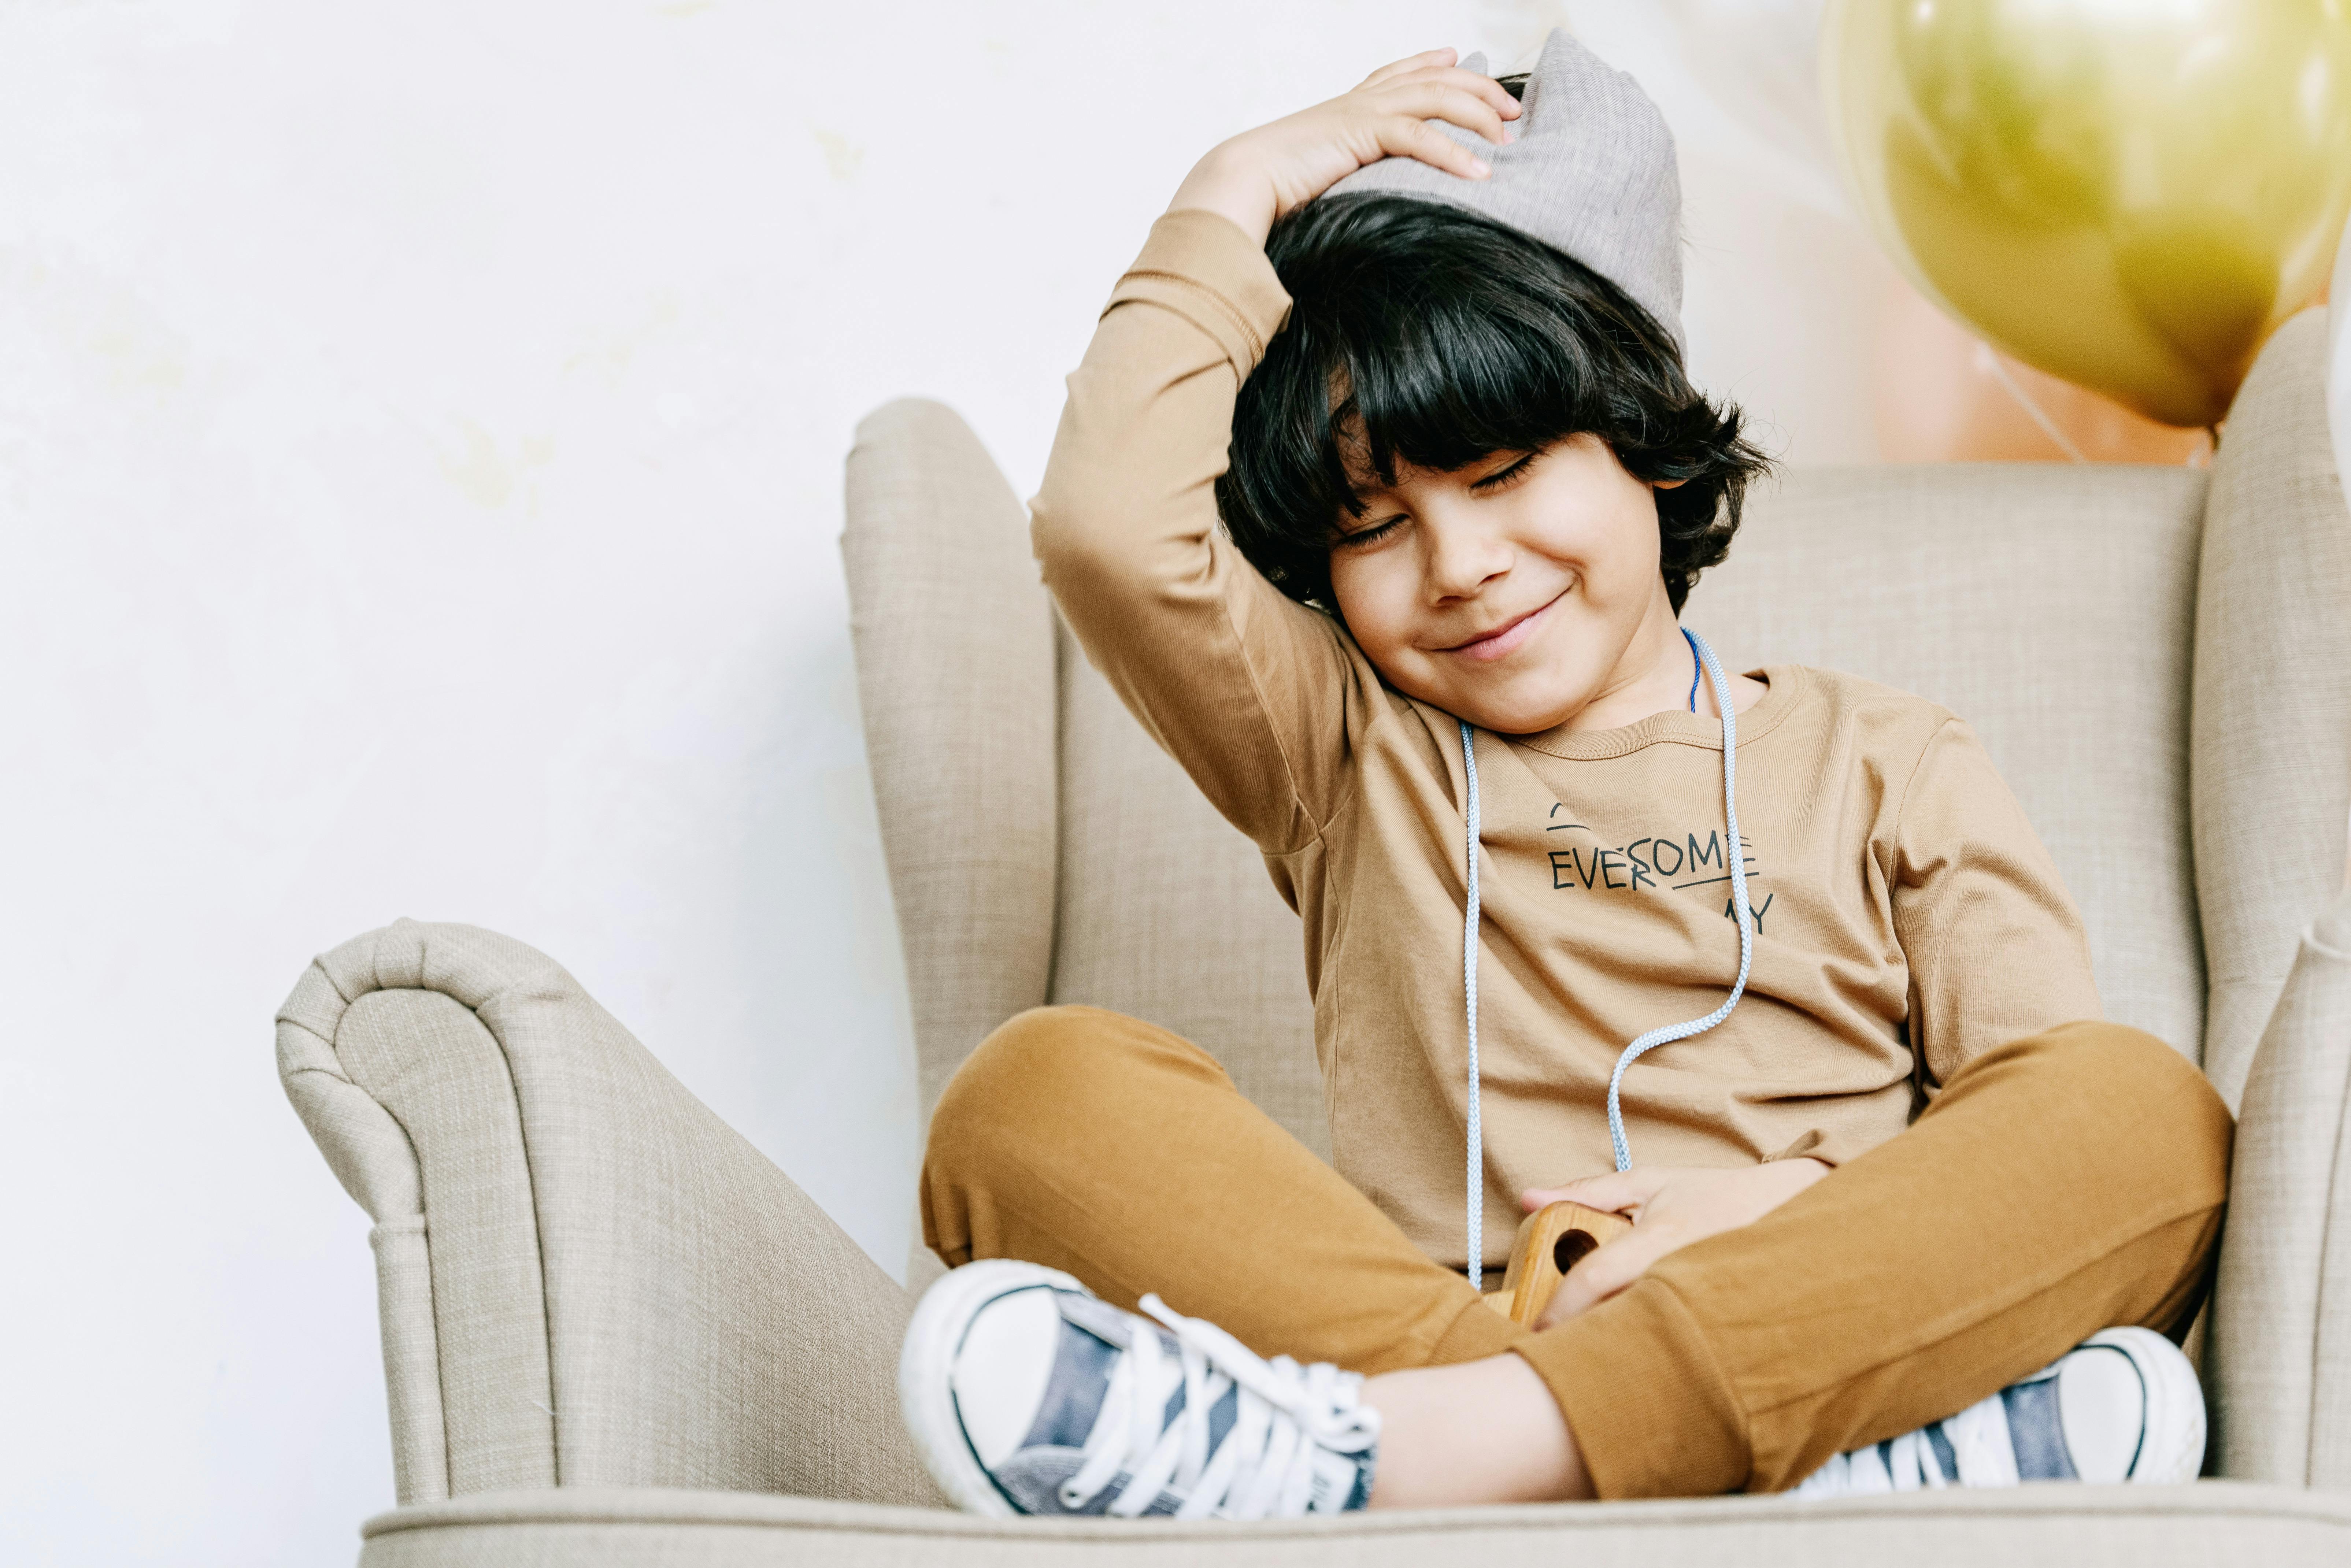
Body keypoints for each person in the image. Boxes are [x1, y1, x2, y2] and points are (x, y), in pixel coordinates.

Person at [893, 31, 2232, 1520]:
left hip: (1809, 1321)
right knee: (1026, 1094)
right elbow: (1105, 527)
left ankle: (1441, 1461)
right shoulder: (1345, 752)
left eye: (1504, 469)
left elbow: (2037, 1129)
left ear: (1644, 444)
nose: (1460, 563)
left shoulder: (1885, 762)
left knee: (2145, 1110)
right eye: (1373, 524)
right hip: (1440, 1329)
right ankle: (1653, 1458)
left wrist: (1795, 1202)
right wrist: (1235, 187)